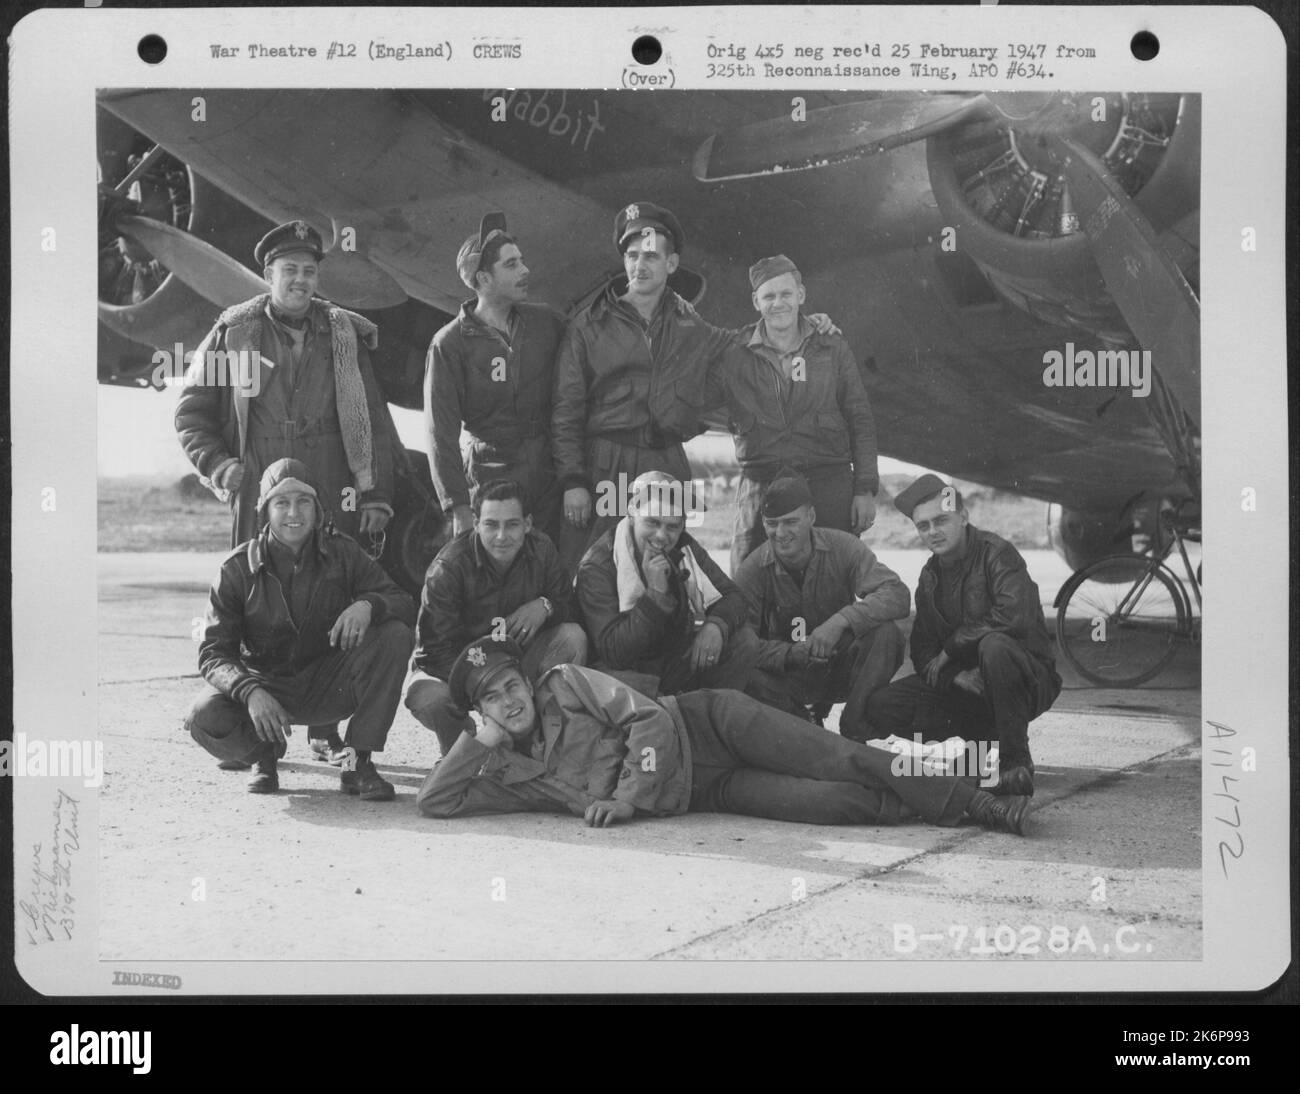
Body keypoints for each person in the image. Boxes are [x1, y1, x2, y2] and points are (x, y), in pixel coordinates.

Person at [415, 634, 1030, 837]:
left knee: (840, 758)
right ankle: (934, 799)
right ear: (482, 712)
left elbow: (647, 718)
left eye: (511, 684)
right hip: (702, 791)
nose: (511, 700)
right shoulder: (507, 774)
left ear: (526, 678)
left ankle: (975, 803)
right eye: (492, 698)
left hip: (707, 722)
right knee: (830, 804)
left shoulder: (564, 682)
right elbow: (435, 803)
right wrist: (478, 744)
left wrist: (627, 796)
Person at [176, 220, 399, 764]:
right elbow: (191, 414)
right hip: (262, 488)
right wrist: (218, 463)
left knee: (333, 596)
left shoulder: (343, 333)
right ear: (268, 274)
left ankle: (325, 729)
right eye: (289, 270)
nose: (300, 280)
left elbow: (373, 416)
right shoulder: (234, 333)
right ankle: (259, 728)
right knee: (261, 607)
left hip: (333, 484)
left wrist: (375, 495)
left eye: (309, 270)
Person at [184, 459, 415, 799]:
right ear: (265, 511)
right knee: (203, 715)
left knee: (395, 635)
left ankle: (357, 763)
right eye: (282, 503)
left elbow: (401, 600)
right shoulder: (236, 569)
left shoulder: (344, 553)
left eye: (303, 501)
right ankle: (263, 756)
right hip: (267, 687)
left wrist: (367, 605)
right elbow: (213, 653)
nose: (294, 512)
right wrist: (250, 692)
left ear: (318, 509)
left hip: (329, 683)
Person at [550, 201, 738, 553]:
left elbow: (738, 347)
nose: (639, 265)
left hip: (666, 459)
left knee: (665, 564)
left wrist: (804, 325)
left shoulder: (690, 324)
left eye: (650, 256)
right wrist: (573, 480)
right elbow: (566, 411)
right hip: (608, 463)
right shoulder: (589, 326)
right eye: (632, 255)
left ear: (671, 263)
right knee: (598, 561)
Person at [865, 474, 1062, 796]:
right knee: (882, 705)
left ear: (964, 516)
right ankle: (977, 749)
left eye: (941, 520)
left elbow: (1015, 615)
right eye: (923, 526)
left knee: (994, 647)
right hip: (968, 686)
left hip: (1025, 678)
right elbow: (923, 651)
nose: (932, 532)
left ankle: (1015, 761)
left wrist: (953, 649)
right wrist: (954, 675)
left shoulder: (996, 553)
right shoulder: (929, 577)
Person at [576, 471, 800, 714]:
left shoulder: (684, 545)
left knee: (743, 640)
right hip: (619, 674)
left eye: (672, 526)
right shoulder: (598, 566)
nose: (661, 536)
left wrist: (715, 626)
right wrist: (655, 595)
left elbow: (734, 597)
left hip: (667, 660)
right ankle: (682, 716)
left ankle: (709, 721)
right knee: (639, 687)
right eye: (652, 522)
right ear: (631, 514)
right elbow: (614, 653)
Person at [710, 254, 879, 571]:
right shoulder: (734, 352)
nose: (778, 303)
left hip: (827, 483)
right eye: (768, 296)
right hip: (762, 484)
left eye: (786, 294)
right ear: (755, 301)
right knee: (748, 580)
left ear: (800, 295)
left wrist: (866, 489)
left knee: (832, 578)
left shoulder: (832, 346)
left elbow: (861, 420)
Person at [403, 478, 587, 757]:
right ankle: (460, 750)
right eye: (491, 524)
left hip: (516, 660)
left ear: (527, 524)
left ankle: (542, 742)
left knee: (572, 637)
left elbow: (569, 605)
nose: (501, 536)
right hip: (457, 668)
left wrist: (545, 605)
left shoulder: (542, 549)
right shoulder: (447, 568)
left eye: (512, 524)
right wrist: (485, 685)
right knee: (429, 699)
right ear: (476, 523)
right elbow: (434, 652)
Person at [425, 213, 570, 553]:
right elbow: (439, 434)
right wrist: (458, 507)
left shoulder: (547, 322)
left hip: (547, 476)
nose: (525, 271)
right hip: (490, 481)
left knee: (550, 571)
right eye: (512, 265)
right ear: (484, 279)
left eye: (521, 261)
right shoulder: (449, 344)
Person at [733, 476, 908, 736]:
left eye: (791, 522)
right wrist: (790, 653)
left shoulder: (844, 547)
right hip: (787, 676)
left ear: (811, 517)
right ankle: (803, 725)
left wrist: (839, 622)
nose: (780, 533)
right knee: (746, 677)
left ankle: (855, 727)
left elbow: (897, 594)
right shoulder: (752, 570)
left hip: (838, 666)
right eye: (772, 524)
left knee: (886, 634)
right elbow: (739, 644)